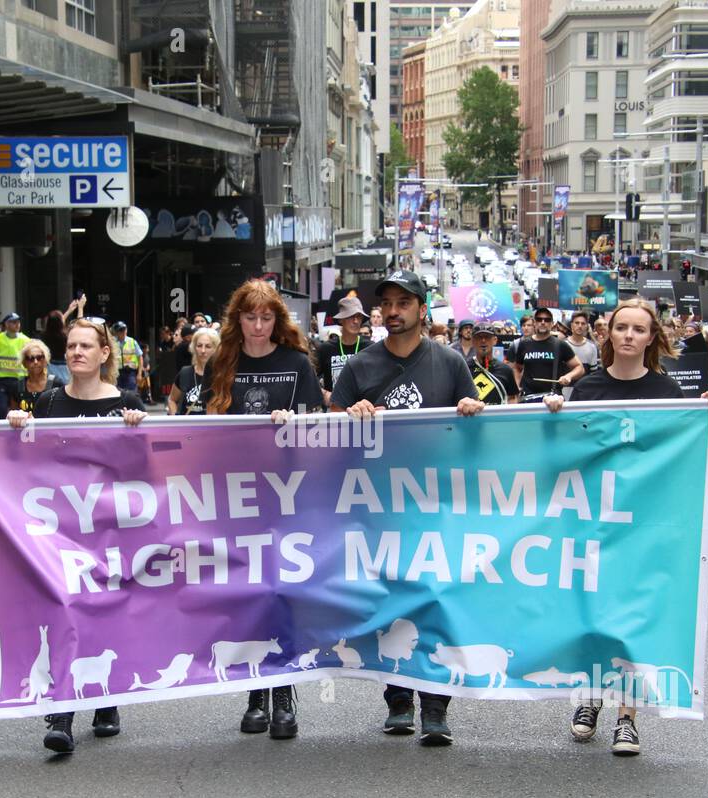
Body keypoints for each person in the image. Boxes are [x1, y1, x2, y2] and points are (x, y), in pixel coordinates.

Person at [545, 298, 708, 755]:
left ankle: (627, 716)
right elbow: (567, 449)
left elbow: (685, 450)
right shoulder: (587, 389)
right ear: (609, 336)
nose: (628, 336)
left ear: (651, 338)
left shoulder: (667, 392)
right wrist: (551, 412)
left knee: (631, 615)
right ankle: (589, 697)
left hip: (642, 522)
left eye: (638, 329)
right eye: (620, 327)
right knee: (591, 612)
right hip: (594, 521)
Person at [329, 269, 485, 746]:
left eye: (403, 302)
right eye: (387, 304)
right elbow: (330, 434)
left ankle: (436, 704)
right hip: (380, 507)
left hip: (437, 504)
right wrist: (348, 416)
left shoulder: (450, 362)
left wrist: (472, 413)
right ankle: (398, 698)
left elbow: (475, 433)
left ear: (422, 309)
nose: (393, 312)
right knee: (393, 599)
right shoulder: (359, 367)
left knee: (436, 600)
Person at [5, 319, 147, 753]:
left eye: (87, 346)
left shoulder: (125, 401)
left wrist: (138, 432)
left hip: (108, 530)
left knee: (103, 608)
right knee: (64, 610)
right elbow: (25, 460)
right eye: (70, 346)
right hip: (62, 530)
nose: (77, 353)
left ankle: (106, 701)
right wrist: (13, 426)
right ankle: (61, 710)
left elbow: (143, 473)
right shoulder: (47, 402)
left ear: (105, 354)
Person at [204, 280, 324, 739]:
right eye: (250, 317)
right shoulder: (221, 362)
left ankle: (284, 695)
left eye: (266, 317)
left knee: (286, 593)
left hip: (288, 492)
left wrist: (297, 425)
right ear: (237, 320)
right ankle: (255, 692)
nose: (258, 326)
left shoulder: (295, 364)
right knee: (249, 593)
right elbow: (202, 429)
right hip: (239, 496)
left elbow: (319, 429)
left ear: (278, 321)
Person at [514, 307, 583, 400]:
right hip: (528, 398)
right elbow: (517, 368)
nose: (543, 322)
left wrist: (568, 376)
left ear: (552, 324)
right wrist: (517, 387)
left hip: (553, 398)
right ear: (534, 323)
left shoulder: (560, 344)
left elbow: (579, 368)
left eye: (547, 320)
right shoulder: (524, 344)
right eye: (539, 319)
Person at [316, 297, 368, 405]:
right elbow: (308, 379)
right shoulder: (326, 349)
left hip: (363, 414)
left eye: (359, 316)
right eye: (351, 316)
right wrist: (325, 394)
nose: (356, 321)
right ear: (340, 319)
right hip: (335, 413)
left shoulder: (370, 348)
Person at [167, 325, 219, 415]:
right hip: (187, 428)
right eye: (199, 346)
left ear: (215, 349)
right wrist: (176, 419)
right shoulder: (185, 373)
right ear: (194, 348)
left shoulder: (222, 375)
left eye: (208, 346)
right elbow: (172, 399)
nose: (203, 350)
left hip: (213, 428)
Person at [468, 323, 519, 405]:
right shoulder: (465, 369)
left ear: (495, 340)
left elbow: (512, 398)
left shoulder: (506, 370)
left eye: (487, 337)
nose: (483, 340)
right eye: (479, 337)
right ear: (473, 341)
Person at [16, 339, 57, 412]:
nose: (35, 362)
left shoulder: (57, 385)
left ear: (45, 360)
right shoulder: (18, 385)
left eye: (39, 358)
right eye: (30, 358)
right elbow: (13, 412)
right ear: (24, 363)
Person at [111, 320, 148, 395]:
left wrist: (139, 374)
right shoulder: (113, 343)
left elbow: (140, 357)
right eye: (121, 330)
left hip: (130, 373)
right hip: (117, 373)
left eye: (125, 329)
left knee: (131, 395)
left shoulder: (132, 341)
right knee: (118, 395)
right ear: (117, 332)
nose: (124, 331)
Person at [565, 311, 600, 375]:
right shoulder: (563, 344)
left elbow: (593, 373)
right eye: (577, 323)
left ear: (587, 326)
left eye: (583, 323)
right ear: (571, 325)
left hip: (586, 384)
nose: (580, 326)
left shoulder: (592, 347)